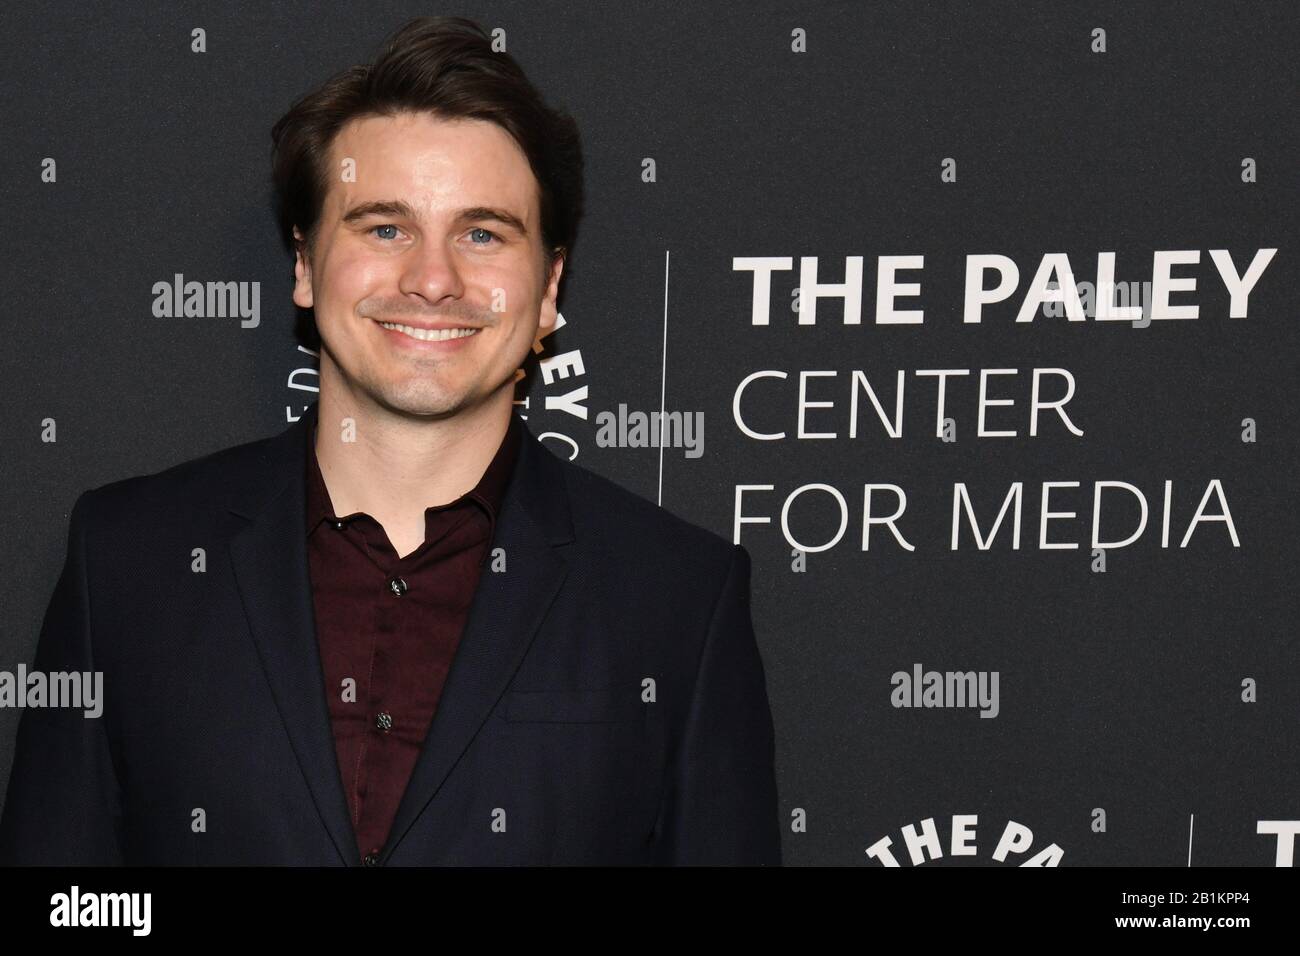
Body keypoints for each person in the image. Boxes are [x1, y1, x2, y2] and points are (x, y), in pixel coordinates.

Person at [0, 15, 780, 866]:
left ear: (550, 286)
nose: (433, 279)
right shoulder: (129, 560)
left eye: (482, 233)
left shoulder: (675, 599)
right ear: (303, 264)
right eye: (384, 227)